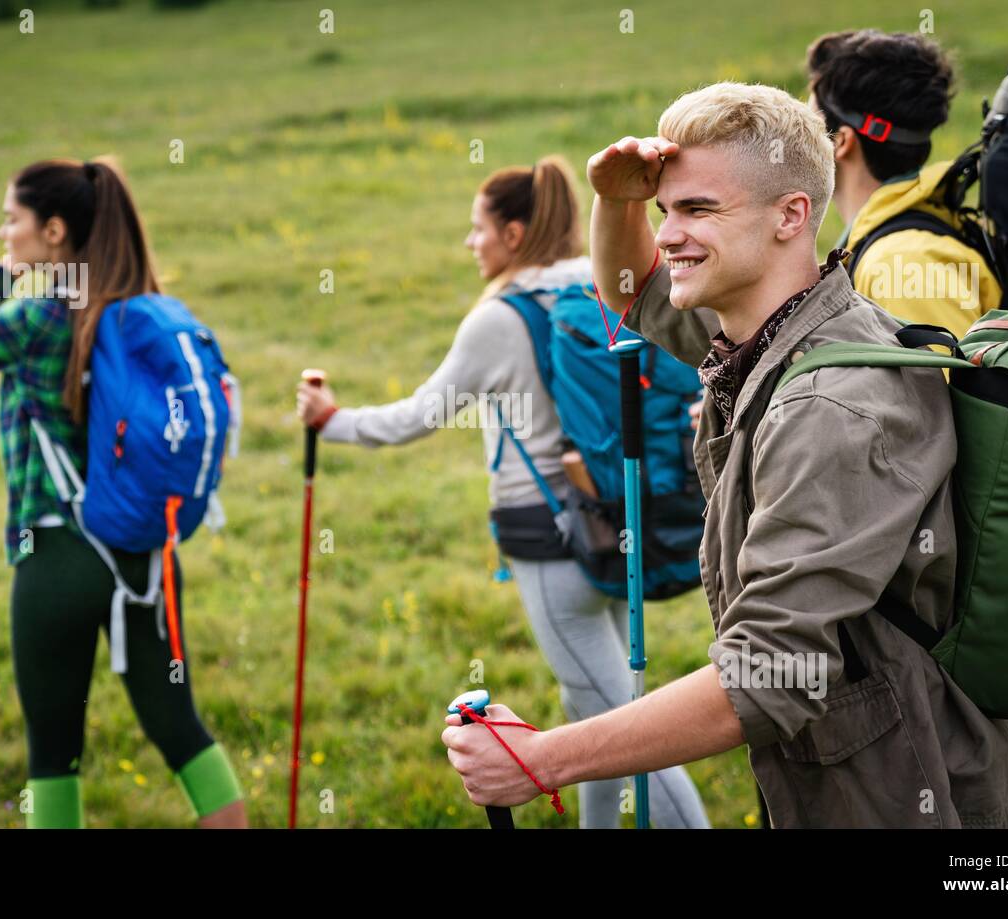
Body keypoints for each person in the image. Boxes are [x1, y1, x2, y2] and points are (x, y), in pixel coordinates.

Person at [443, 83, 1008, 828]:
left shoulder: (831, 405)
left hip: (906, 788)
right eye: (665, 212)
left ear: (791, 215)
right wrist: (618, 199)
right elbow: (634, 294)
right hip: (851, 767)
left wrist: (542, 759)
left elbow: (766, 674)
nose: (669, 235)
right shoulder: (781, 329)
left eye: (698, 210)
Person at [297, 156, 710, 828]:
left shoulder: (499, 318)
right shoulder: (601, 288)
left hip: (547, 541)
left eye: (478, 227)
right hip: (614, 523)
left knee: (627, 731)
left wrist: (332, 421)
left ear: (514, 235)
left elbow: (417, 416)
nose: (470, 243)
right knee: (595, 711)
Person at [0, 157, 245, 829]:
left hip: (55, 559)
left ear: (55, 231)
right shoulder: (134, 311)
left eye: (13, 220)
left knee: (54, 753)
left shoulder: (40, 317)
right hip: (142, 558)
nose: (3, 232)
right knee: (181, 728)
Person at [807, 29, 1008, 829]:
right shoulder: (896, 238)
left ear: (839, 139)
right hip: (945, 595)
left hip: (959, 600)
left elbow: (947, 430)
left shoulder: (906, 260)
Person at [806, 29, 1000, 338]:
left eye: (808, 119)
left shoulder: (902, 263)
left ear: (840, 142)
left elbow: (945, 384)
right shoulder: (886, 246)